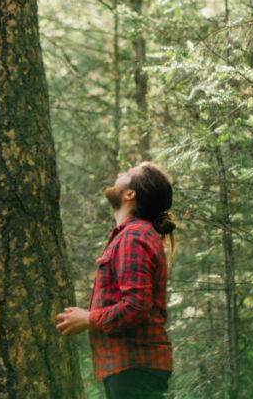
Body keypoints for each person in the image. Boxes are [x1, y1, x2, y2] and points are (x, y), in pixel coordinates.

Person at [55, 161, 176, 398]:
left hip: (135, 367)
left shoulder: (134, 236)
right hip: (131, 368)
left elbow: (136, 306)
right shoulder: (133, 235)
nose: (120, 172)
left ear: (131, 194)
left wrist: (88, 318)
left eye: (128, 173)